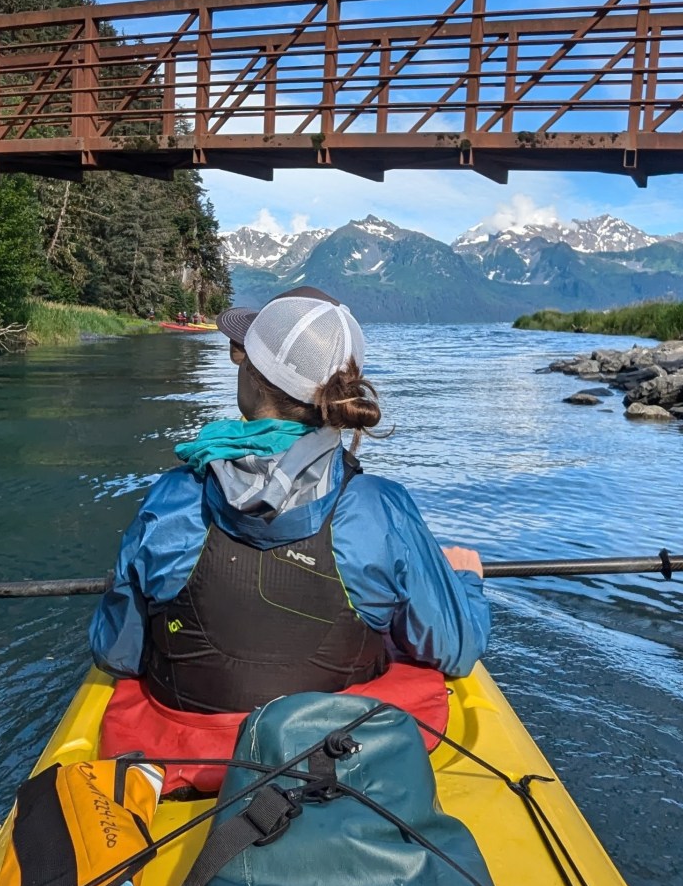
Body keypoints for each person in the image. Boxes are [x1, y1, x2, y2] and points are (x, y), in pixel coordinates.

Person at [89, 289, 488, 717]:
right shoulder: (381, 508)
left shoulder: (172, 496)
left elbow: (117, 654)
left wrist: (123, 586)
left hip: (189, 752)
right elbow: (456, 648)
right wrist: (465, 583)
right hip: (335, 755)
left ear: (253, 373)